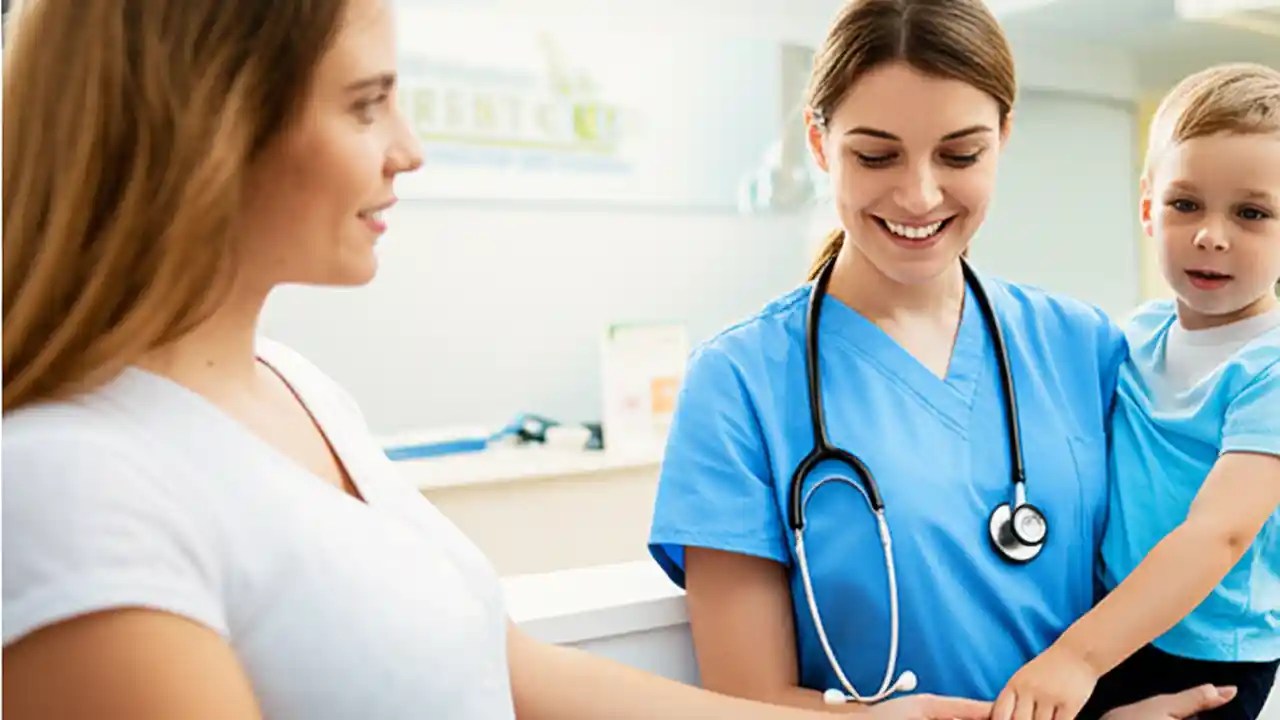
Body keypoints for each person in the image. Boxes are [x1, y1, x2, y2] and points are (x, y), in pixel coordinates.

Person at [0, 1, 1001, 719]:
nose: (408, 148)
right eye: (366, 104)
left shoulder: (297, 389)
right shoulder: (68, 484)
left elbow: (501, 668)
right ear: (208, 121)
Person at [646, 0, 1241, 716]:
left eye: (960, 155)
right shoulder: (739, 384)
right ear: (818, 142)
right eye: (876, 156)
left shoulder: (1084, 346)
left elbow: (1198, 555)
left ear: (1003, 138)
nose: (919, 195)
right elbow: (745, 702)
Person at [994, 63, 1280, 720]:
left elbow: (1220, 533)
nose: (1211, 234)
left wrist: (1078, 657)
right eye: (1186, 204)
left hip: (1209, 653)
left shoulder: (1269, 369)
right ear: (1148, 208)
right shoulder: (1138, 334)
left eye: (1252, 213)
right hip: (1114, 622)